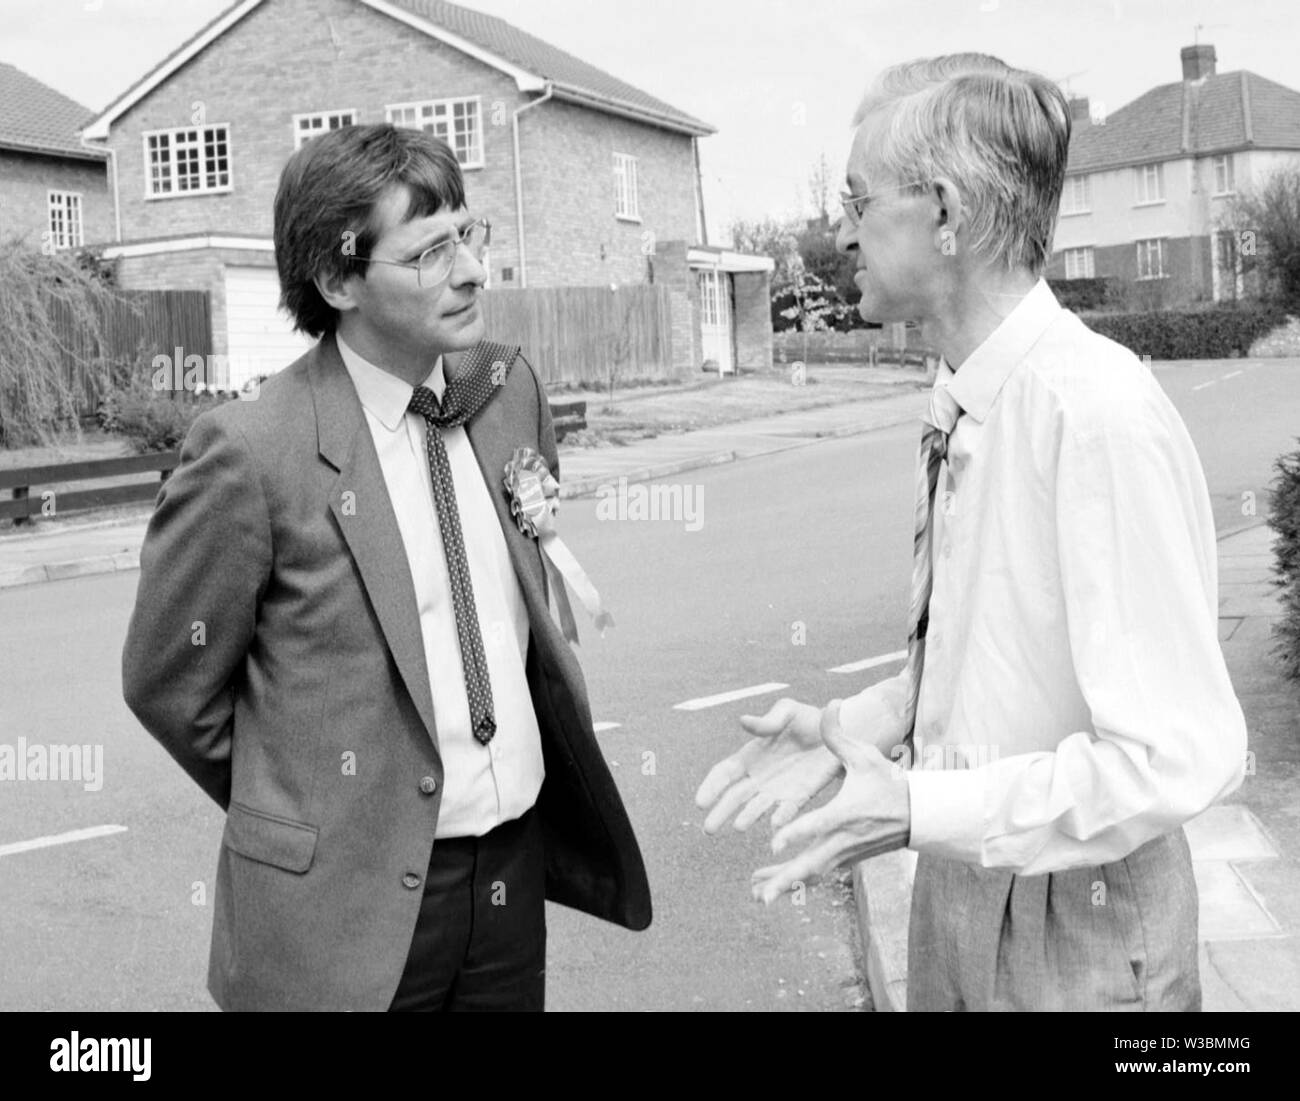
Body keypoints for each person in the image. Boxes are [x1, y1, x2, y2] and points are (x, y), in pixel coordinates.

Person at [697, 54, 1246, 1011]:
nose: (839, 228)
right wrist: (851, 726)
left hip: (1080, 925)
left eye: (856, 198)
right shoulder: (968, 391)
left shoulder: (1094, 412)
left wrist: (918, 806)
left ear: (945, 214)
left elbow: (1175, 756)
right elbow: (1002, 666)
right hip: (964, 890)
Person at [121, 123, 650, 1011]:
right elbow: (167, 682)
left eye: (468, 235)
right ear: (338, 281)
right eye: (429, 252)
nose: (473, 271)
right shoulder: (250, 454)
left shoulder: (507, 390)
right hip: (342, 906)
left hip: (509, 872)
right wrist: (310, 805)